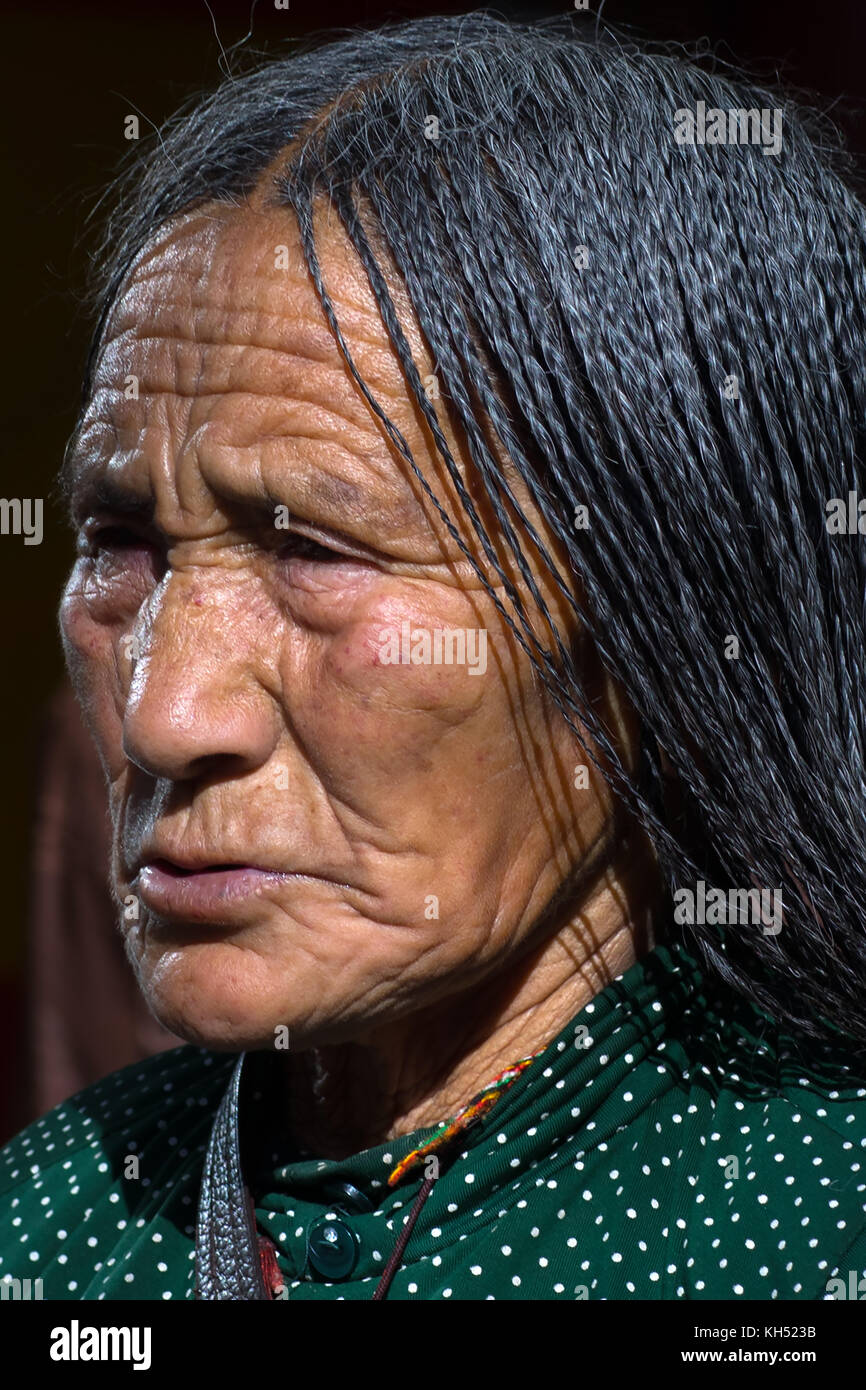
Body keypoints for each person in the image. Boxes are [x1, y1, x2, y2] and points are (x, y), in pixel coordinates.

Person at [2, 10, 865, 1302]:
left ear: (673, 608)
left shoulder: (809, 1218)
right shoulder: (55, 1225)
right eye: (122, 543)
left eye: (317, 553)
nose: (163, 714)